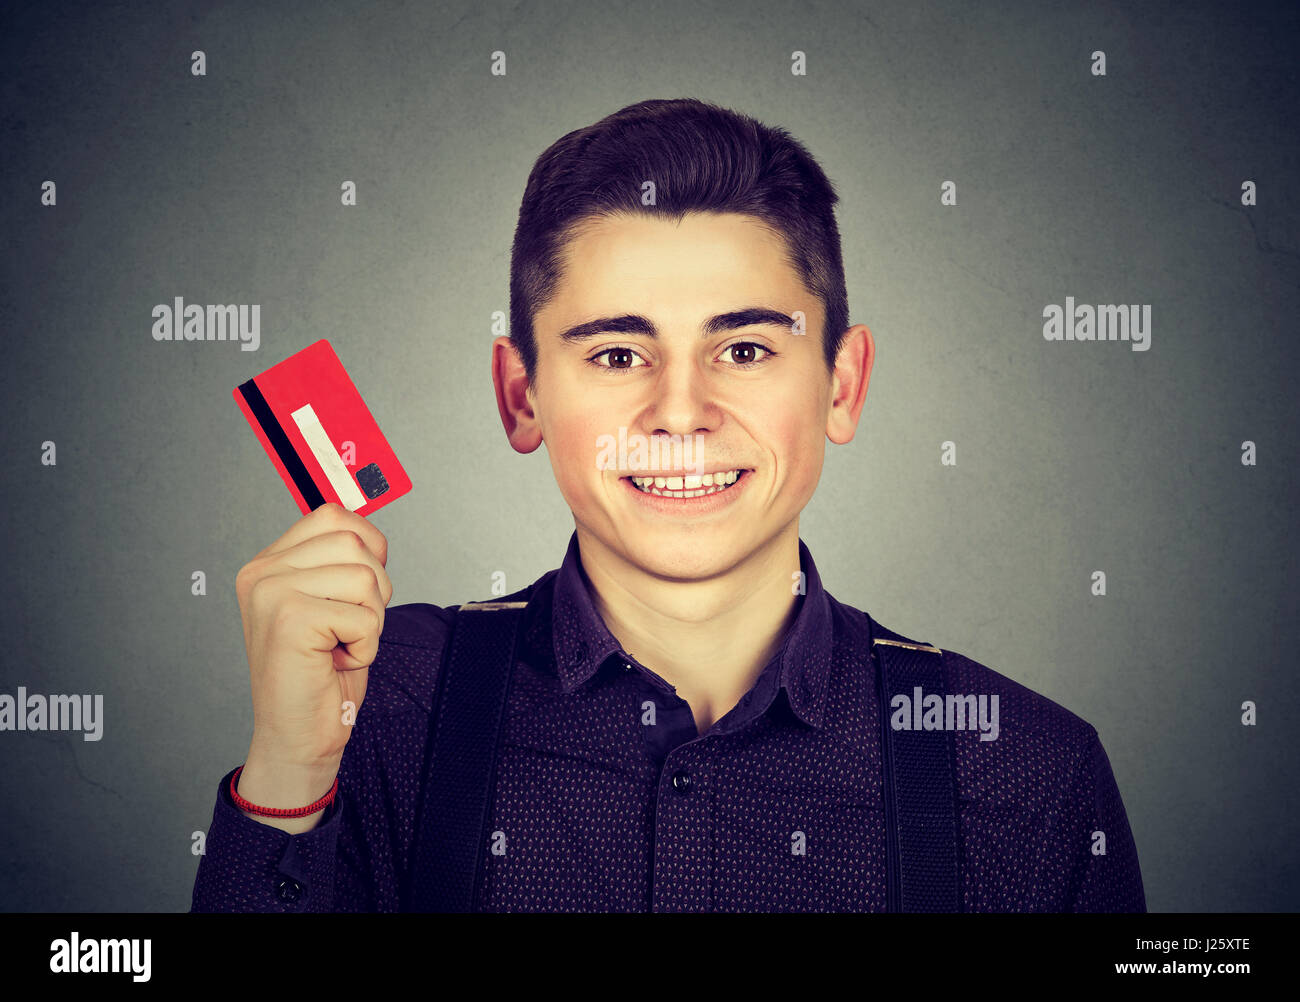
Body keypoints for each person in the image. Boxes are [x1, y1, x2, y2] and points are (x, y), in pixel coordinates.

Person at [191, 97, 1145, 912]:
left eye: (744, 350)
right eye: (616, 354)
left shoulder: (1027, 770)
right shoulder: (377, 703)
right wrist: (290, 780)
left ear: (842, 386)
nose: (681, 412)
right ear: (521, 397)